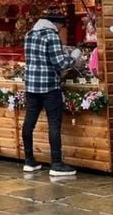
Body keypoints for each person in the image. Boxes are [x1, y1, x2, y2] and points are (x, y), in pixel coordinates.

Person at [21, 12, 78, 177]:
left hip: (31, 85)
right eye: (61, 26)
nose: (61, 30)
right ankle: (56, 164)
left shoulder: (29, 34)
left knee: (29, 123)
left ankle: (29, 161)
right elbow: (59, 63)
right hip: (49, 86)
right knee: (54, 123)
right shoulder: (51, 35)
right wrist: (73, 57)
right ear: (56, 24)